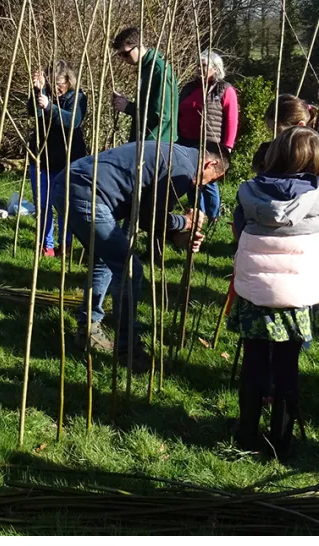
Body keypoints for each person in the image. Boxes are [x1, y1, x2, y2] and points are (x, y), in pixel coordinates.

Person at [229, 83, 319, 460]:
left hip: (255, 293)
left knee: (254, 361)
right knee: (288, 367)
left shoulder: (248, 190)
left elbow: (239, 231)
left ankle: (246, 432)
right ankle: (281, 442)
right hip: (296, 297)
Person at [52, 140, 225, 369]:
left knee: (105, 258)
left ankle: (87, 330)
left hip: (69, 182)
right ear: (210, 164)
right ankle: (127, 348)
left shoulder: (173, 153)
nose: (204, 185)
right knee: (129, 269)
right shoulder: (183, 169)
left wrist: (176, 235)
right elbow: (149, 217)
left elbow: (147, 213)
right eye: (211, 179)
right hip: (87, 194)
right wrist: (184, 222)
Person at [28, 60, 88, 258]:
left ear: (68, 81)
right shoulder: (45, 93)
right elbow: (33, 112)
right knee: (43, 203)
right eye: (51, 84)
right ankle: (46, 244)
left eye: (59, 84)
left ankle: (66, 244)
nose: (56, 88)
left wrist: (50, 108)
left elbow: (73, 120)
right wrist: (38, 91)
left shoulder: (78, 97)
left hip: (67, 160)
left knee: (64, 205)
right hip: (41, 157)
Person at [177, 50, 239, 220]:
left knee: (208, 180)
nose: (199, 69)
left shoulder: (224, 89)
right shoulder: (189, 88)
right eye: (198, 65)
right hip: (185, 141)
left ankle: (213, 217)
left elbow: (232, 119)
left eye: (203, 65)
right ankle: (197, 214)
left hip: (210, 143)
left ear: (215, 68)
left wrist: (227, 146)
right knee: (191, 179)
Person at [111, 26, 179, 143]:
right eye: (120, 55)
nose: (123, 59)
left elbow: (162, 115)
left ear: (139, 45)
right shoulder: (144, 69)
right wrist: (124, 103)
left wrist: (128, 107)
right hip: (143, 140)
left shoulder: (159, 70)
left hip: (156, 143)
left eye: (126, 54)